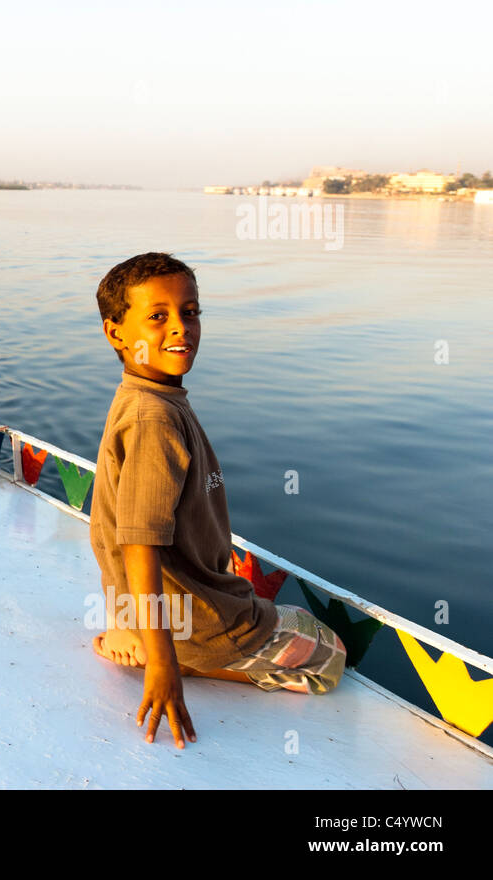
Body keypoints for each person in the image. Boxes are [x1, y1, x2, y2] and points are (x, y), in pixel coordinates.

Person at [88, 252, 346, 749]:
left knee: (303, 622)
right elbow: (141, 546)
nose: (180, 328)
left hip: (171, 605)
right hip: (191, 623)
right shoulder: (153, 419)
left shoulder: (147, 396)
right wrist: (164, 667)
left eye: (190, 311)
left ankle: (140, 631)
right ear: (116, 333)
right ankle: (170, 653)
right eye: (157, 316)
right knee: (329, 659)